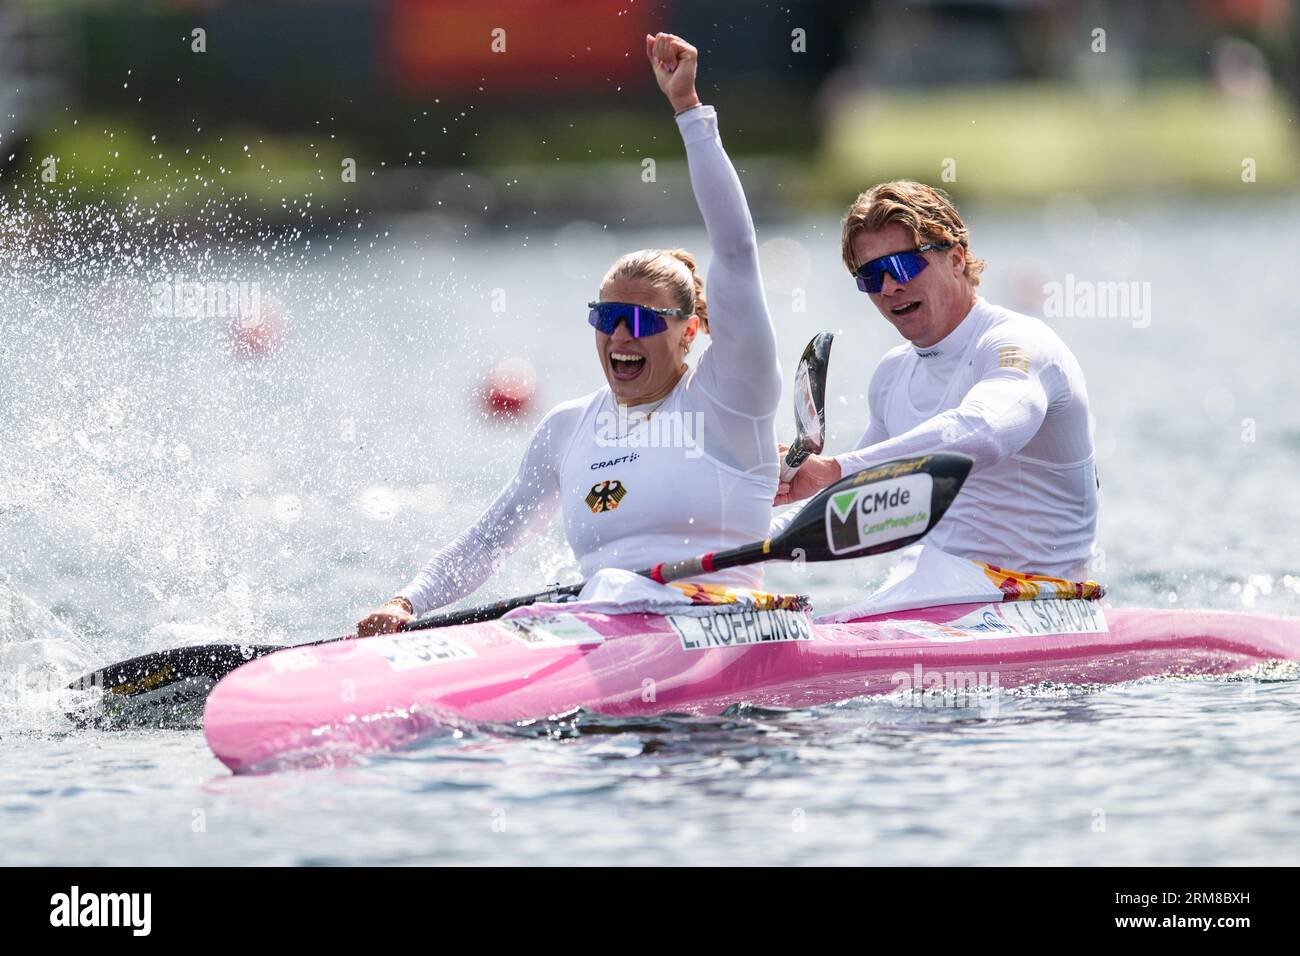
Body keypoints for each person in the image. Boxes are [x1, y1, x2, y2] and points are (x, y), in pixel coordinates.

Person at [357, 32, 781, 636]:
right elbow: (493, 537)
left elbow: (737, 249)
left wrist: (689, 111)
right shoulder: (566, 430)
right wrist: (408, 604)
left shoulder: (731, 396)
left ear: (690, 332)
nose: (619, 337)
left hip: (720, 626)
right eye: (606, 319)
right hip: (602, 621)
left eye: (639, 321)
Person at [776, 181, 1098, 579]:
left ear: (957, 258)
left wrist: (836, 469)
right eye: (872, 277)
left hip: (1041, 598)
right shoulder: (892, 375)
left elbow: (985, 432)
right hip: (934, 597)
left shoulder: (1018, 344)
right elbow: (859, 512)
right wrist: (764, 518)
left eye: (902, 265)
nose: (891, 286)